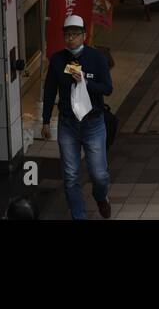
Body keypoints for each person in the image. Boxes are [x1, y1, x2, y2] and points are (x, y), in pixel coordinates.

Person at [41, 14, 113, 219]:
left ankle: (101, 197)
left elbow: (108, 88)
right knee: (71, 174)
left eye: (75, 34)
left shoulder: (97, 58)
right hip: (68, 124)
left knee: (99, 174)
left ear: (84, 36)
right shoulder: (57, 60)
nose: (71, 39)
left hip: (93, 123)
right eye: (67, 35)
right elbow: (49, 91)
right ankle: (79, 215)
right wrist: (46, 120)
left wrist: (86, 83)